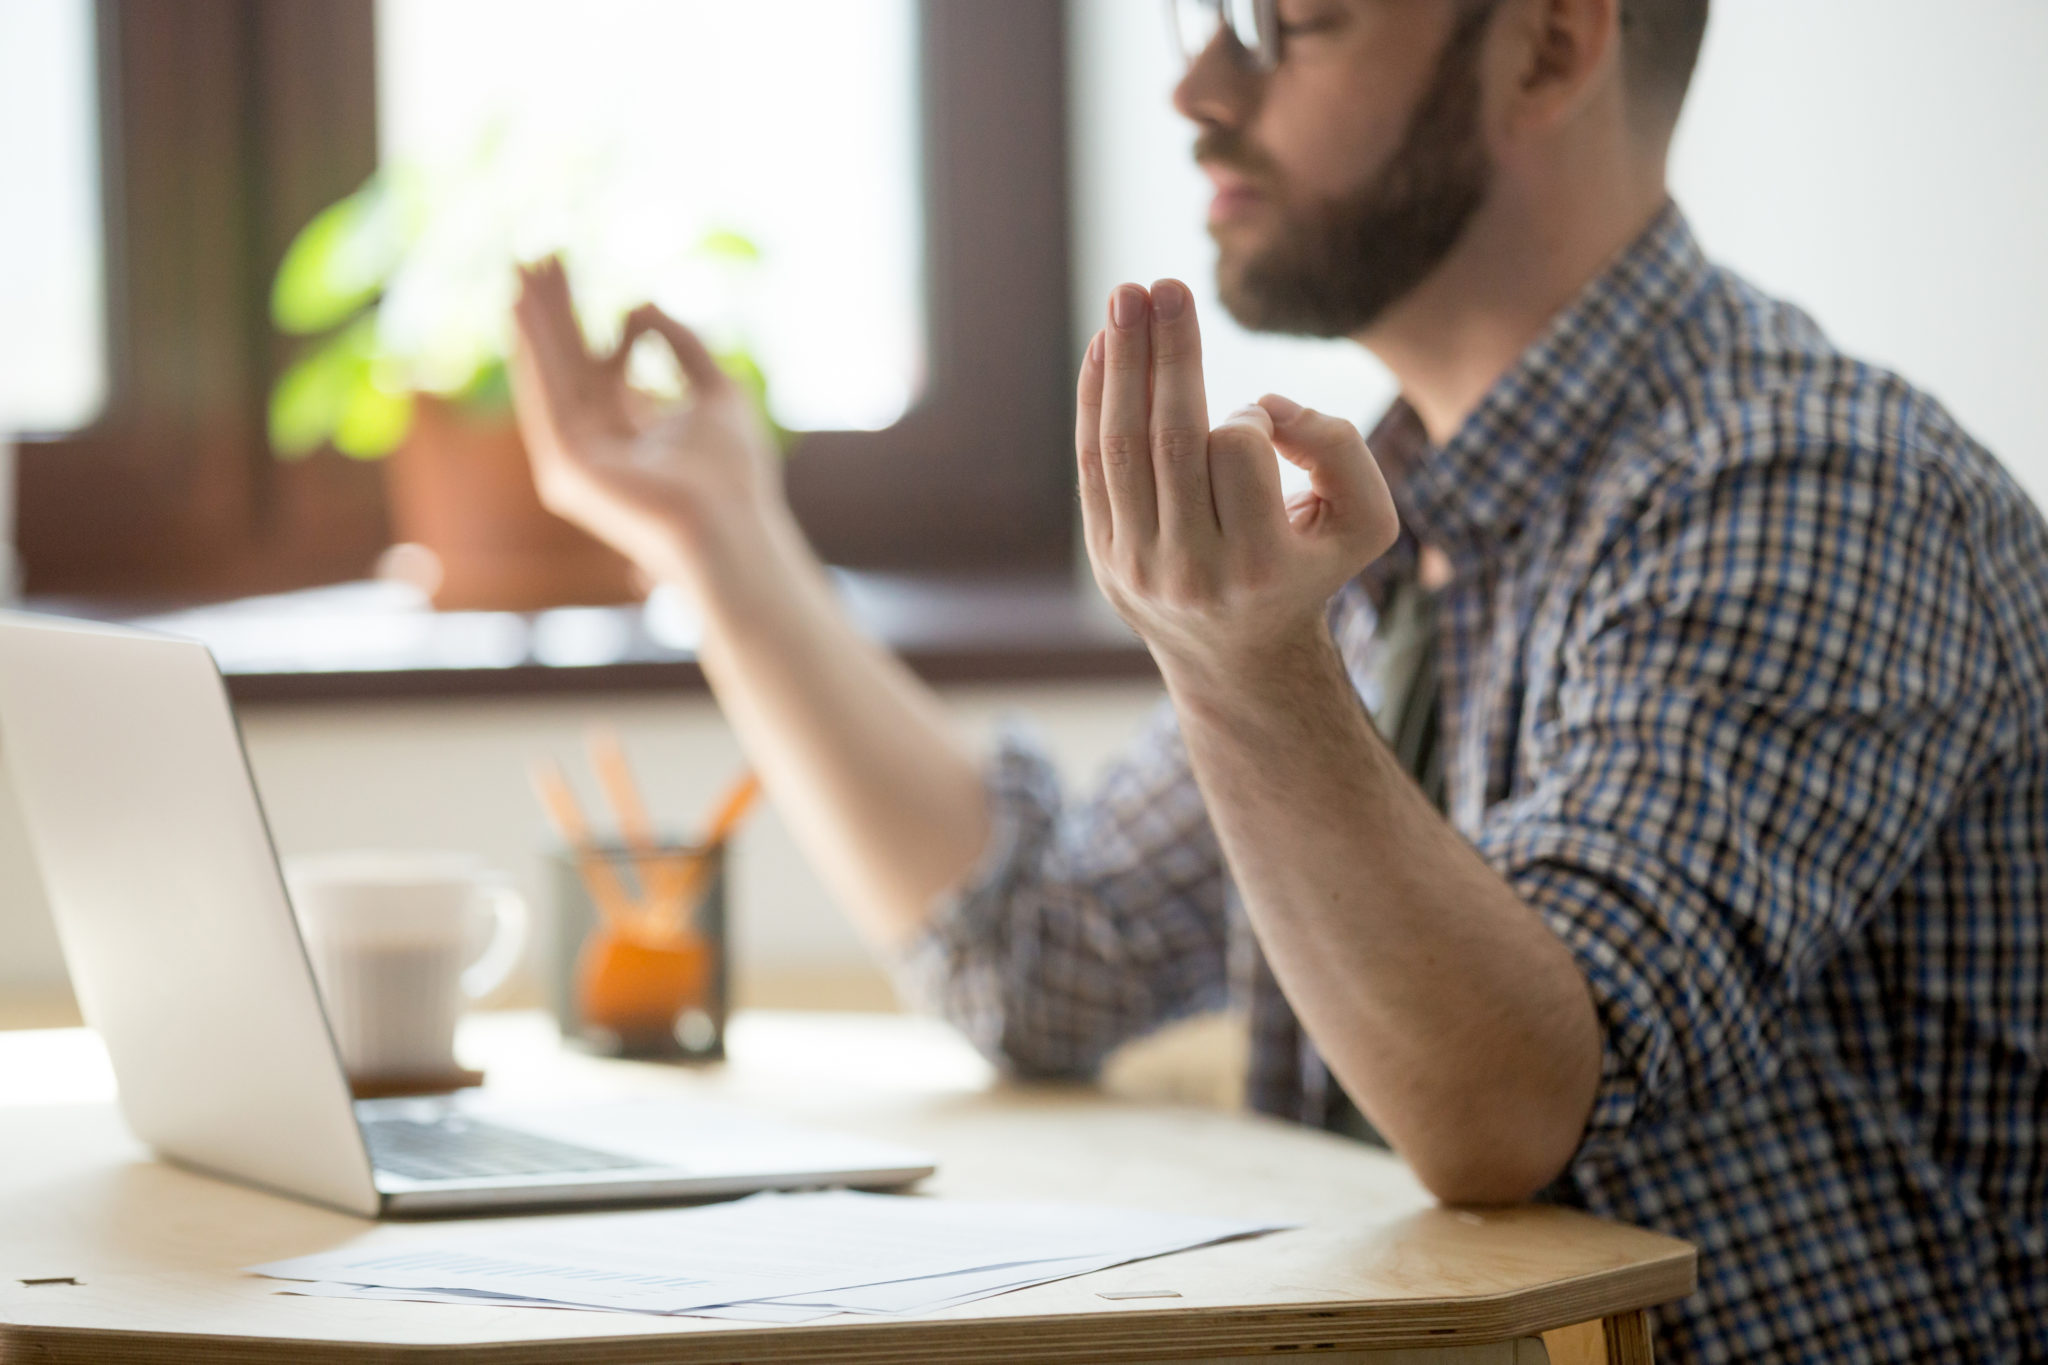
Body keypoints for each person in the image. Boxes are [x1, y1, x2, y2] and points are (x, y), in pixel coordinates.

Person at [507, 0, 2048, 1358]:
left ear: (1554, 42)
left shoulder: (1806, 490)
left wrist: (1247, 668)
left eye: (1292, 20)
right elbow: (1045, 950)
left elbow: (1511, 1102)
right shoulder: (1393, 512)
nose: (1200, 91)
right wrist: (719, 544)